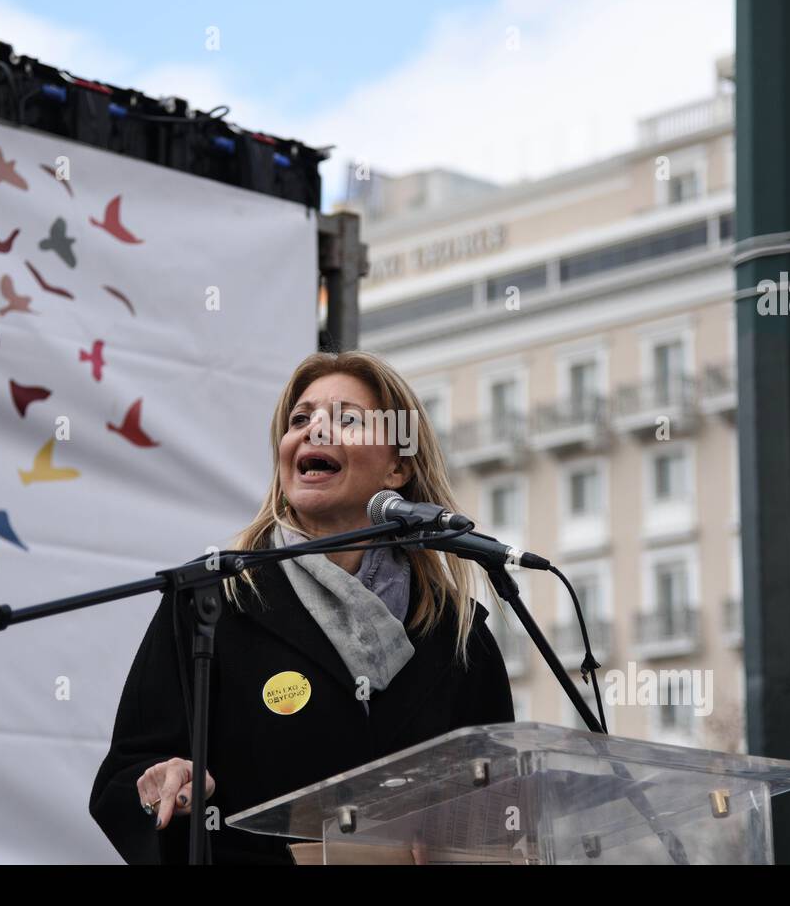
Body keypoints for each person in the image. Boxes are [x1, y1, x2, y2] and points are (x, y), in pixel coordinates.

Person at [89, 350, 515, 864]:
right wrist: (161, 786)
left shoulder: (459, 637)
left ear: (398, 467)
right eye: (300, 419)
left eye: (347, 419)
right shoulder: (211, 602)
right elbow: (123, 780)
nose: (313, 430)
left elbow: (501, 812)